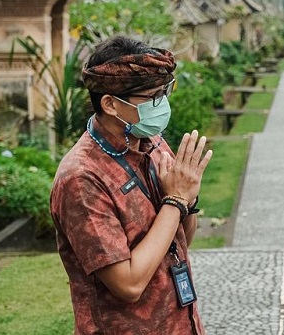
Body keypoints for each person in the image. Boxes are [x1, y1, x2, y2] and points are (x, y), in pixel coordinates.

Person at [50, 35, 212, 334]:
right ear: (110, 104)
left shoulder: (152, 143)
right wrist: (175, 201)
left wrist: (188, 197)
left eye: (164, 93)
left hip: (180, 323)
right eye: (151, 98)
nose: (161, 105)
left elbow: (181, 240)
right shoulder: (82, 178)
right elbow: (129, 284)